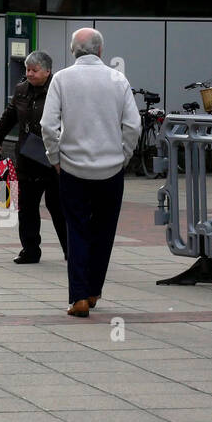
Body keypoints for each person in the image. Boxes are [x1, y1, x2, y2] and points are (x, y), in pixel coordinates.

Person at [41, 28, 140, 318]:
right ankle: (95, 289)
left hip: (72, 169)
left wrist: (55, 157)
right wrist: (123, 156)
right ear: (100, 51)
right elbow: (133, 126)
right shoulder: (117, 79)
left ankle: (79, 297)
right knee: (104, 231)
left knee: (78, 230)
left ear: (73, 51)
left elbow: (48, 126)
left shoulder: (61, 79)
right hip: (110, 170)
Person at [0, 49, 67, 265]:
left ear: (48, 71)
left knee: (58, 206)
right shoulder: (22, 89)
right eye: (27, 69)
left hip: (53, 159)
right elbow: (10, 114)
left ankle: (70, 249)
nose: (30, 74)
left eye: (35, 70)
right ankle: (30, 249)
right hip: (27, 156)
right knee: (27, 207)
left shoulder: (59, 89)